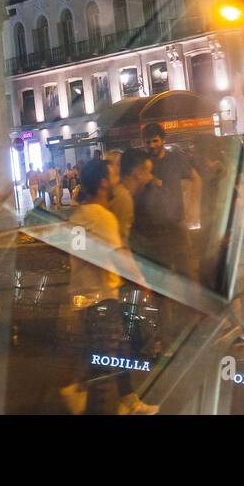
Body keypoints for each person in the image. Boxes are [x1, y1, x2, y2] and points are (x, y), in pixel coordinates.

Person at [57, 159, 156, 415]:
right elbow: (120, 256)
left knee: (118, 352)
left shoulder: (78, 216)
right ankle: (86, 400)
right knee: (102, 373)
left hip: (85, 298)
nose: (116, 180)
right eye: (112, 176)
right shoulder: (102, 217)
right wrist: (144, 283)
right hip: (100, 301)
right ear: (102, 183)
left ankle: (129, 402)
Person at [133, 123, 199, 275]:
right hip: (153, 229)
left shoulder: (175, 159)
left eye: (155, 141)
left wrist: (192, 207)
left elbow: (195, 178)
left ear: (163, 140)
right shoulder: (143, 163)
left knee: (186, 272)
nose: (152, 145)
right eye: (148, 142)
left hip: (177, 224)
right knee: (160, 275)